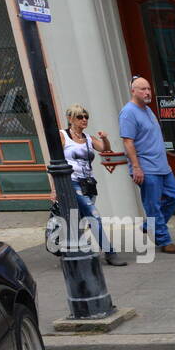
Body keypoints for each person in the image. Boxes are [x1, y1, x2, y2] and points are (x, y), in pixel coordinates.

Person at [119, 75, 175, 254]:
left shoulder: (148, 110)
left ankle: (150, 224)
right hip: (146, 168)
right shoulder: (128, 112)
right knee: (152, 205)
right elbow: (128, 142)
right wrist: (136, 167)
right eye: (143, 89)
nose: (147, 92)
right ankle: (164, 240)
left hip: (162, 166)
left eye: (148, 89)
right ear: (133, 91)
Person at [61, 104, 124, 266]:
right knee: (93, 215)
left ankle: (74, 251)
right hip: (72, 182)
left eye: (86, 117)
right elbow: (53, 161)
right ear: (70, 119)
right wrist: (54, 188)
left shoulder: (88, 138)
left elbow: (105, 150)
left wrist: (104, 138)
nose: (84, 120)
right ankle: (110, 253)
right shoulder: (63, 136)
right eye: (79, 117)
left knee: (82, 218)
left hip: (88, 183)